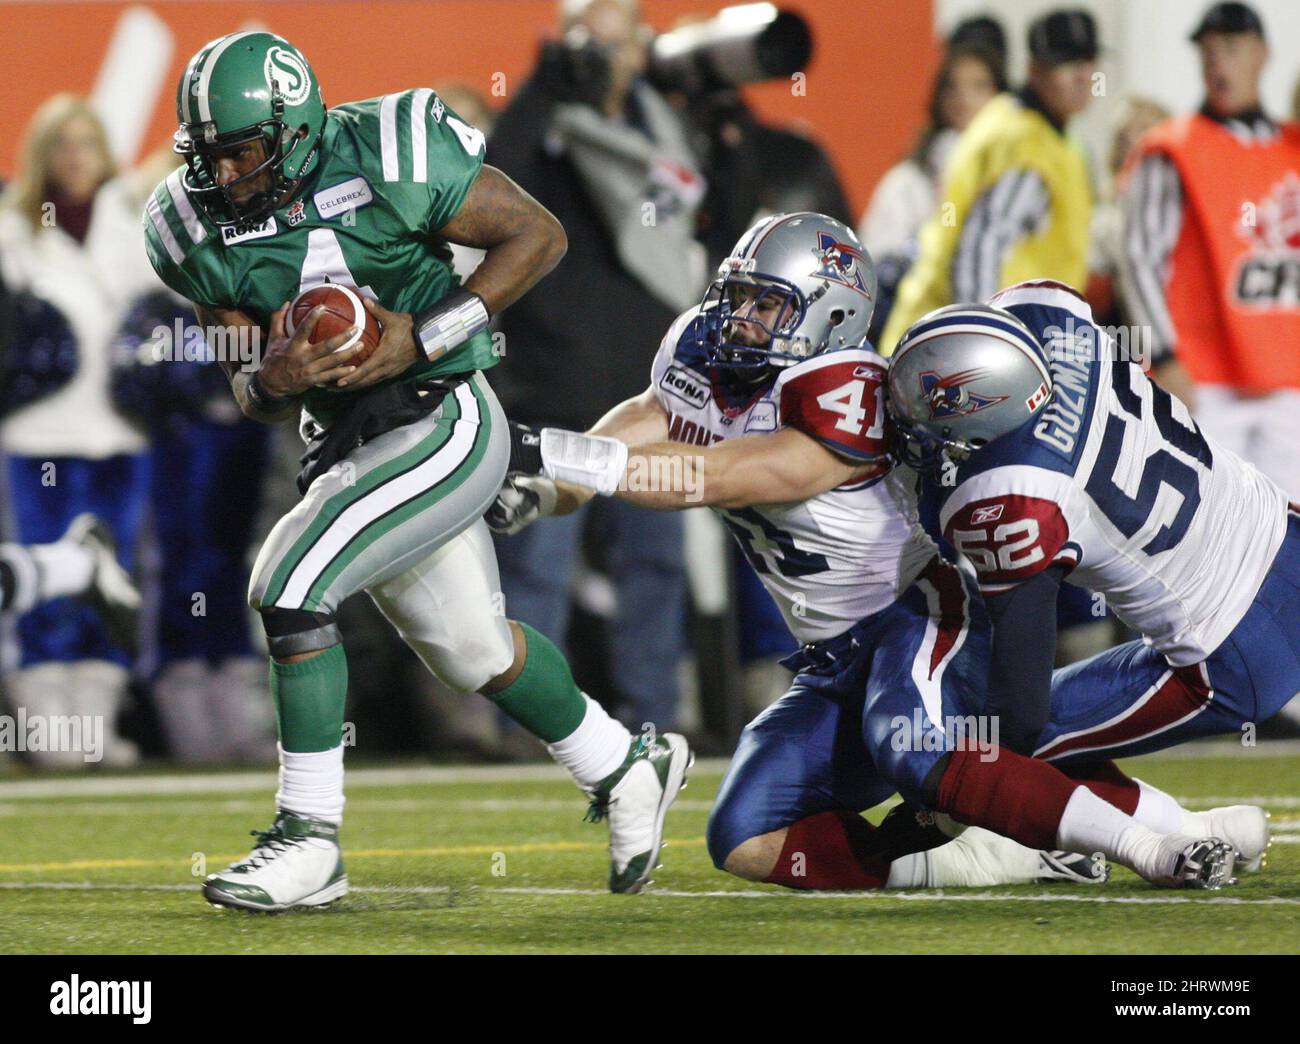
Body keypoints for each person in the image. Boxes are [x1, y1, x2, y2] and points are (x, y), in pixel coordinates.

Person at [491, 212, 1248, 892]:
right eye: (738, 297)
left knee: (915, 749)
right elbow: (648, 420)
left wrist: (551, 453)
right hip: (831, 653)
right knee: (745, 838)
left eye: (767, 305)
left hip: (920, 613)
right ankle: (997, 854)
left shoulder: (846, 390)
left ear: (832, 315)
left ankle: (1152, 847)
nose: (740, 320)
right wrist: (558, 487)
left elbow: (715, 475)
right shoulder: (702, 348)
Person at [141, 31, 692, 911]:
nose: (224, 173)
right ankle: (625, 766)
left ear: (296, 129)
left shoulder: (390, 149)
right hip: (348, 439)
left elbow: (535, 236)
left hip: (442, 411)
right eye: (207, 154)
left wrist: (421, 331)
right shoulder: (187, 226)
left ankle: (308, 838)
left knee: (290, 579)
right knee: (474, 649)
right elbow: (250, 387)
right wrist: (272, 380)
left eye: (241, 149)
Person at [887, 279, 1295, 878]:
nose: (911, 426)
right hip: (1286, 536)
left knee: (986, 740)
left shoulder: (1007, 495)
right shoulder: (1053, 317)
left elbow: (1019, 716)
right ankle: (1198, 829)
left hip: (1234, 648)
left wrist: (936, 805)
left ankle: (1054, 849)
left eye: (929, 409)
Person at [486, 0, 706, 732]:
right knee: (538, 570)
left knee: (656, 568)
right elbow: (491, 181)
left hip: (651, 396)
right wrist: (543, 86)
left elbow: (705, 229)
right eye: (586, 44)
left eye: (613, 45)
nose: (602, 60)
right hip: (553, 388)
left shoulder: (664, 133)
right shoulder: (544, 135)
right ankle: (528, 725)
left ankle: (657, 717)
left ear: (641, 50)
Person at [0, 94, 160, 768]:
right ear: (41, 153)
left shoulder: (130, 222)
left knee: (112, 575)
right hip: (39, 432)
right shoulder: (12, 228)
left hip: (118, 432)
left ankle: (93, 724)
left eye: (85, 142)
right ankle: (46, 729)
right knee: (41, 571)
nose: (73, 156)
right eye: (60, 143)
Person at [1118, 2, 1300, 497]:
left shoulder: (1291, 148)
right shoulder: (1172, 148)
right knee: (1208, 530)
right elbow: (1137, 257)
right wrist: (1163, 355)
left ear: (1263, 54)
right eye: (1208, 50)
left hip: (1288, 381)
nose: (1219, 62)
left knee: (1290, 535)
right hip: (1205, 382)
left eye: (1232, 48)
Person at [880, 8, 1099, 353]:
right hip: (953, 351)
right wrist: (983, 345)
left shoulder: (1032, 131)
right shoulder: (1026, 143)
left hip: (948, 340)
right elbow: (981, 250)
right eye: (1067, 64)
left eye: (1089, 62)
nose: (1084, 76)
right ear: (1034, 71)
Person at [857, 43, 1004, 262]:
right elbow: (876, 256)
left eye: (978, 86)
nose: (964, 97)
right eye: (952, 87)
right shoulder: (908, 180)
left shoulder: (1017, 169)